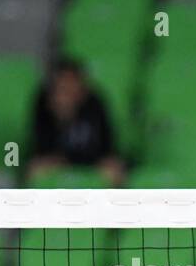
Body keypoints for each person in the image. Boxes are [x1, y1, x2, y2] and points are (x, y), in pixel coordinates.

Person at [29, 57, 124, 185]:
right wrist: (61, 118)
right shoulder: (44, 102)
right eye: (63, 85)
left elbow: (106, 145)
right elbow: (40, 145)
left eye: (72, 83)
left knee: (114, 170)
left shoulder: (95, 102)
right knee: (35, 170)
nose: (68, 89)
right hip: (57, 159)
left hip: (91, 160)